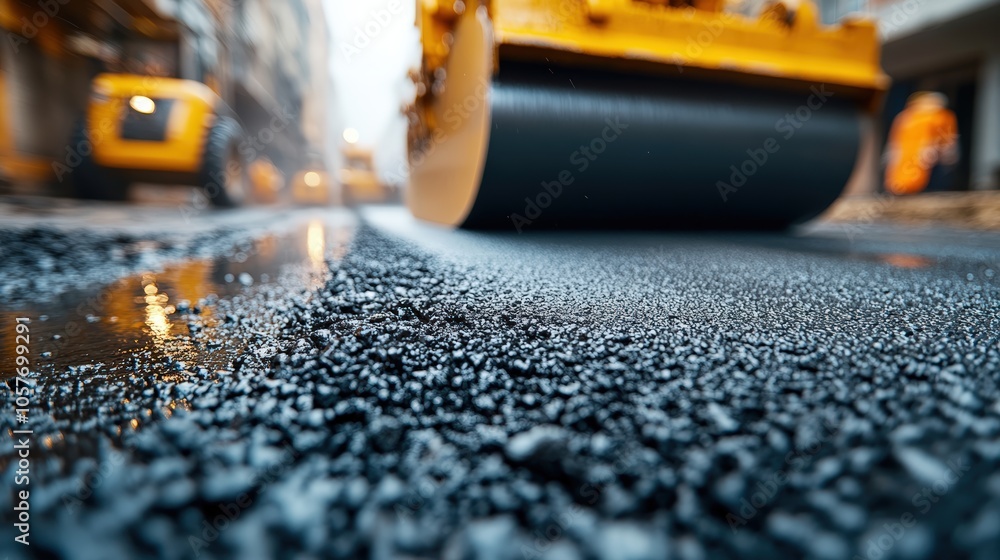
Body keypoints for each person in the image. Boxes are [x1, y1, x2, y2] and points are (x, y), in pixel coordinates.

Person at [883, 91, 959, 195]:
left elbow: (948, 142)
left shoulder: (941, 116)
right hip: (917, 161)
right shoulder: (907, 117)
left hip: (927, 161)